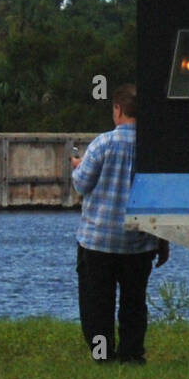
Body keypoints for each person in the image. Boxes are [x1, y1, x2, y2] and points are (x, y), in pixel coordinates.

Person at [72, 84, 169, 364]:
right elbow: (160, 198)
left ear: (118, 110)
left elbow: (81, 185)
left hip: (98, 240)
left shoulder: (103, 144)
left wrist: (78, 166)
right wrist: (162, 241)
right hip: (139, 242)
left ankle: (102, 354)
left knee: (97, 303)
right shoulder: (153, 148)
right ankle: (131, 354)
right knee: (134, 302)